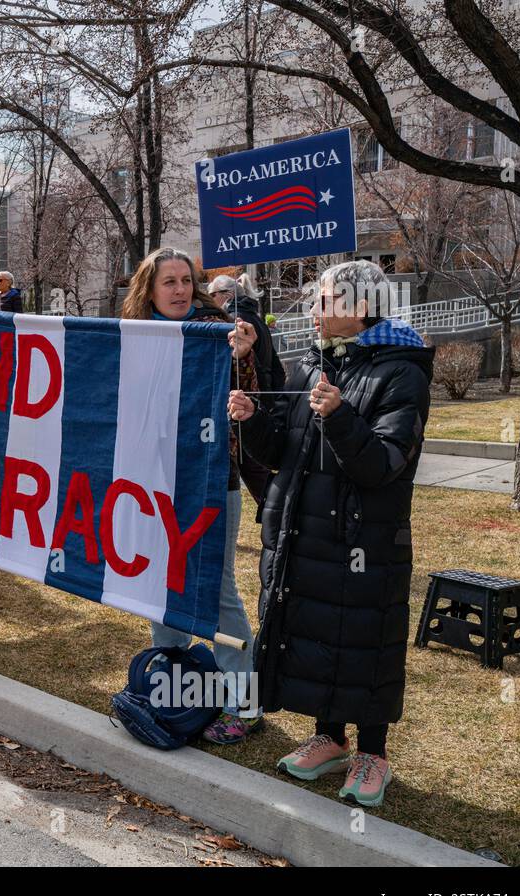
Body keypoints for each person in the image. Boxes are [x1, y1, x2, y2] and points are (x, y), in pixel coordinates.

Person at [229, 259, 433, 807]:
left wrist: (341, 417)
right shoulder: (311, 363)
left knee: (365, 639)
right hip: (303, 532)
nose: (312, 309)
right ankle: (330, 737)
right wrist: (251, 421)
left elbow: (385, 463)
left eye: (324, 299)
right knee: (315, 630)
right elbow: (281, 452)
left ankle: (372, 753)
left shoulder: (402, 371)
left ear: (360, 307)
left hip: (363, 540)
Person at [121, 247, 262, 744]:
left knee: (214, 589)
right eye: (169, 282)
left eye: (186, 280)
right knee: (161, 583)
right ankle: (174, 680)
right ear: (149, 290)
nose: (180, 289)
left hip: (208, 483)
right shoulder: (134, 335)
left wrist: (245, 356)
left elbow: (253, 400)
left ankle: (245, 702)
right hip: (153, 483)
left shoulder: (219, 330)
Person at [209, 272, 284, 508]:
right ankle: (278, 510)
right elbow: (275, 365)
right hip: (260, 398)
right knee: (253, 466)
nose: (210, 300)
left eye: (212, 295)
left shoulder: (234, 321)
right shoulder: (256, 318)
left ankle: (278, 511)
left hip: (244, 402)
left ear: (227, 295)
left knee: (252, 467)